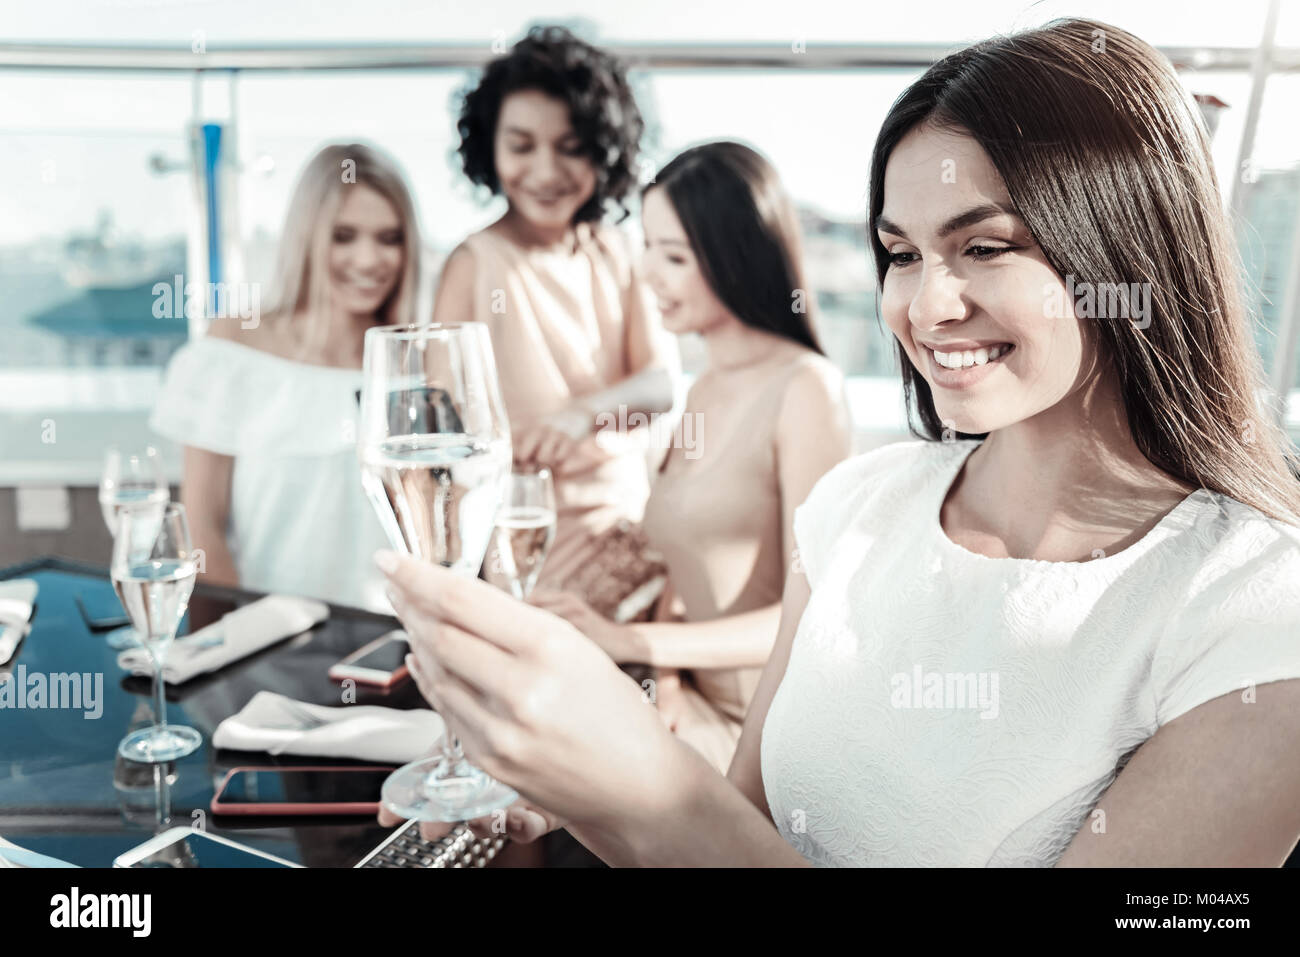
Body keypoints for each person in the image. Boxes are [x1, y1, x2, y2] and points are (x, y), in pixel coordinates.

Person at [377, 18, 1300, 865]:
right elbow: (739, 832)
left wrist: (648, 791)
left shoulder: (1256, 614)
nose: (927, 306)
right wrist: (588, 789)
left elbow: (698, 828)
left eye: (985, 248)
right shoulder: (859, 509)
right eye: (901, 254)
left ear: (1124, 251)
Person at [530, 142, 851, 774]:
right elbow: (679, 570)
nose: (648, 273)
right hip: (692, 698)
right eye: (646, 247)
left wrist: (631, 641)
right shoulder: (703, 386)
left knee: (536, 767)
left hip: (767, 730)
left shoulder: (805, 389)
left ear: (737, 256)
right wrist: (665, 674)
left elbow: (815, 613)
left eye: (672, 256)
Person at [434, 25, 679, 599]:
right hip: (521, 528)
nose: (545, 172)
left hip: (629, 518)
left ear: (603, 152)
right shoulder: (474, 262)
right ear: (489, 149)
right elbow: (447, 427)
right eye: (521, 146)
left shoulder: (613, 250)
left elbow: (661, 384)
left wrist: (581, 415)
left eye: (571, 148)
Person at [150, 142, 421, 612]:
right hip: (264, 641)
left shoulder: (415, 361)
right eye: (344, 235)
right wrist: (250, 641)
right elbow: (203, 525)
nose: (369, 259)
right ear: (307, 237)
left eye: (389, 238)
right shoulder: (234, 348)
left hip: (390, 645)